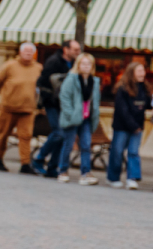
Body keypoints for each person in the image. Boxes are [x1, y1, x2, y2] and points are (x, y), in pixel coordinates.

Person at [0, 43, 42, 174]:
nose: (28, 53)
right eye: (26, 51)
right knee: (3, 134)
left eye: (31, 52)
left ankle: (25, 163)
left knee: (26, 136)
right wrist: (6, 95)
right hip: (9, 107)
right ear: (20, 52)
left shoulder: (38, 68)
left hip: (28, 109)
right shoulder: (9, 65)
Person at [33, 39, 82, 177]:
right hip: (52, 103)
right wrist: (45, 101)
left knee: (63, 136)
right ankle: (39, 158)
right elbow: (42, 82)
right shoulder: (54, 61)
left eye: (78, 50)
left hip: (64, 105)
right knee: (58, 133)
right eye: (75, 49)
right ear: (66, 49)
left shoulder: (73, 63)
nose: (78, 52)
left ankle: (52, 167)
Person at [56, 52, 101, 186]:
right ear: (78, 65)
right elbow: (64, 98)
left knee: (86, 145)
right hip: (73, 118)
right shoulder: (71, 79)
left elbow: (95, 101)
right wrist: (70, 114)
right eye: (83, 63)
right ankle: (63, 171)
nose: (86, 66)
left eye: (89, 64)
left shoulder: (95, 81)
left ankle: (85, 173)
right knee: (68, 145)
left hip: (86, 118)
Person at [108, 61, 149, 189]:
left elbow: (147, 105)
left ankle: (132, 178)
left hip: (138, 126)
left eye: (143, 70)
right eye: (140, 71)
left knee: (133, 152)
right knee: (117, 151)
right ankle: (113, 177)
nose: (143, 73)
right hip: (122, 126)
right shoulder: (122, 89)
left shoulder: (145, 88)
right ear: (132, 73)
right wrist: (133, 126)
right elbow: (122, 110)